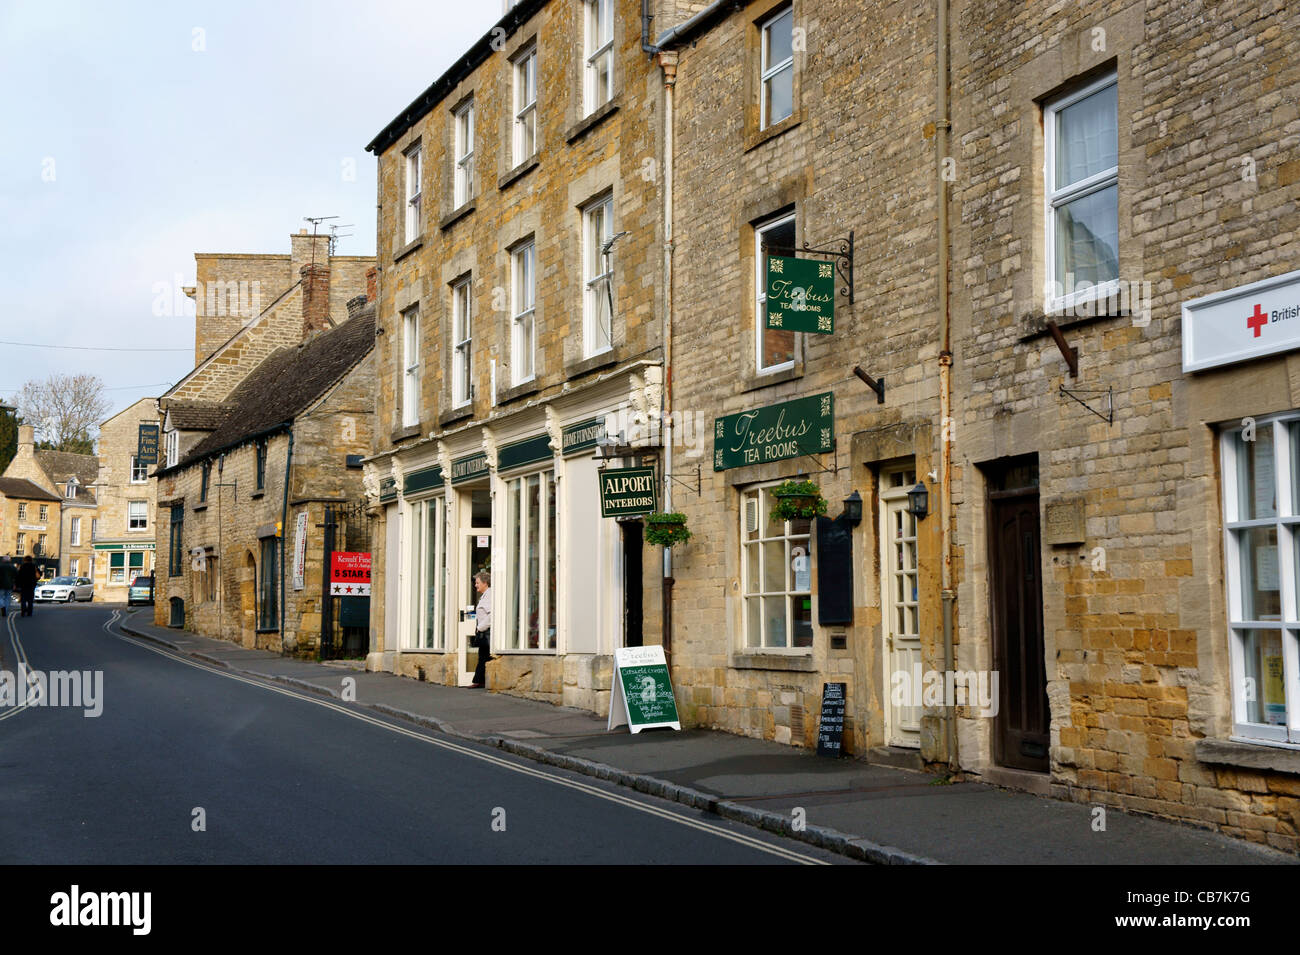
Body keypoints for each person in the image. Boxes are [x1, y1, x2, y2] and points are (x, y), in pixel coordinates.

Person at [471, 569, 493, 688]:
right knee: (483, 656)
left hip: (486, 632)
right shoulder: (485, 595)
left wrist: (480, 627)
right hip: (484, 631)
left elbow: (491, 615)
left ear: (485, 583)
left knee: (484, 657)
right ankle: (480, 680)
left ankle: (478, 681)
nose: (475, 585)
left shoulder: (489, 595)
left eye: (477, 582)